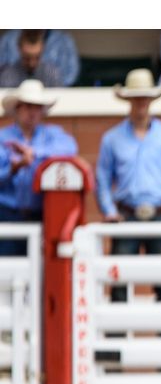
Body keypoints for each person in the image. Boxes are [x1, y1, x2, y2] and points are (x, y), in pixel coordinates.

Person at [95, 69, 161, 302]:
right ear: (128, 100)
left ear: (151, 100)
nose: (141, 102)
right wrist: (109, 210)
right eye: (136, 98)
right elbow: (102, 177)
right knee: (118, 282)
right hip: (126, 215)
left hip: (159, 213)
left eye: (145, 97)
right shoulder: (112, 138)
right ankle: (117, 326)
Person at [0, 80, 77, 254]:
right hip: (6, 213)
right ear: (17, 109)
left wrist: (33, 152)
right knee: (5, 265)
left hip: (39, 213)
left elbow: (70, 148)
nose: (32, 112)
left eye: (37, 107)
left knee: (39, 264)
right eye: (28, 107)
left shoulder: (52, 134)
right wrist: (13, 169)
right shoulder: (3, 138)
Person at [0, 29, 78, 87]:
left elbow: (60, 97)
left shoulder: (52, 74)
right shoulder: (7, 76)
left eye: (37, 58)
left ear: (43, 50)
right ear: (19, 50)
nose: (32, 63)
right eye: (27, 58)